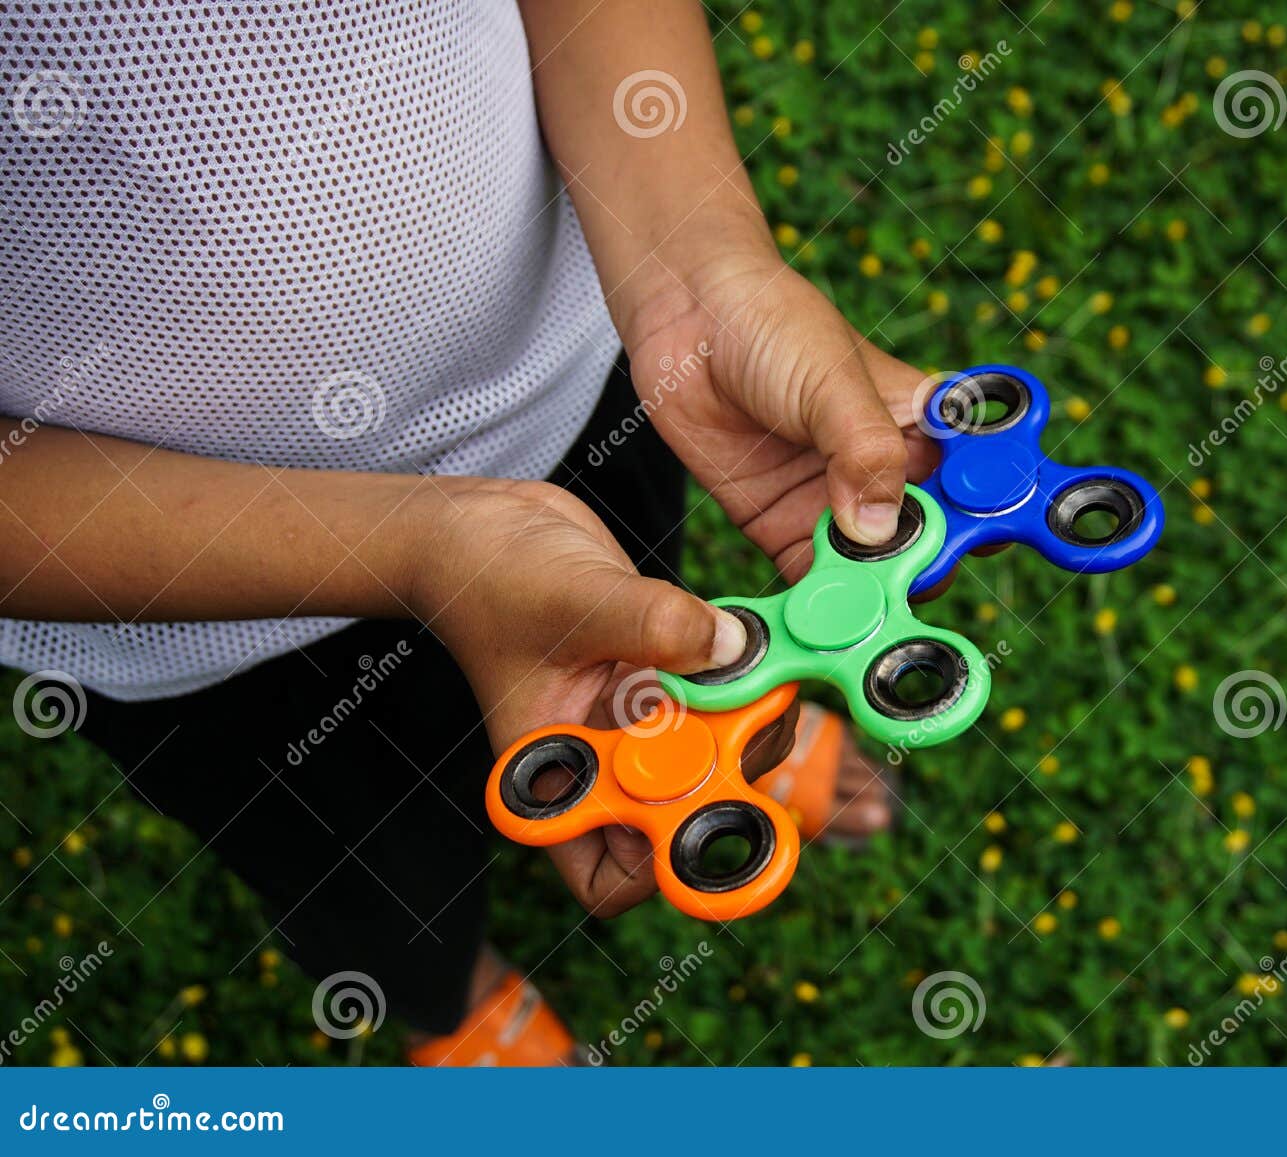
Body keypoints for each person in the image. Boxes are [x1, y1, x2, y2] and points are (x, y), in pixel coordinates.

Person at [1, 1, 931, 1064]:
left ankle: (706, 742)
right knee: (369, 867)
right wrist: (424, 548)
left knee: (651, 638)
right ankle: (450, 999)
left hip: (564, 382)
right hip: (190, 608)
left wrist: (698, 274)